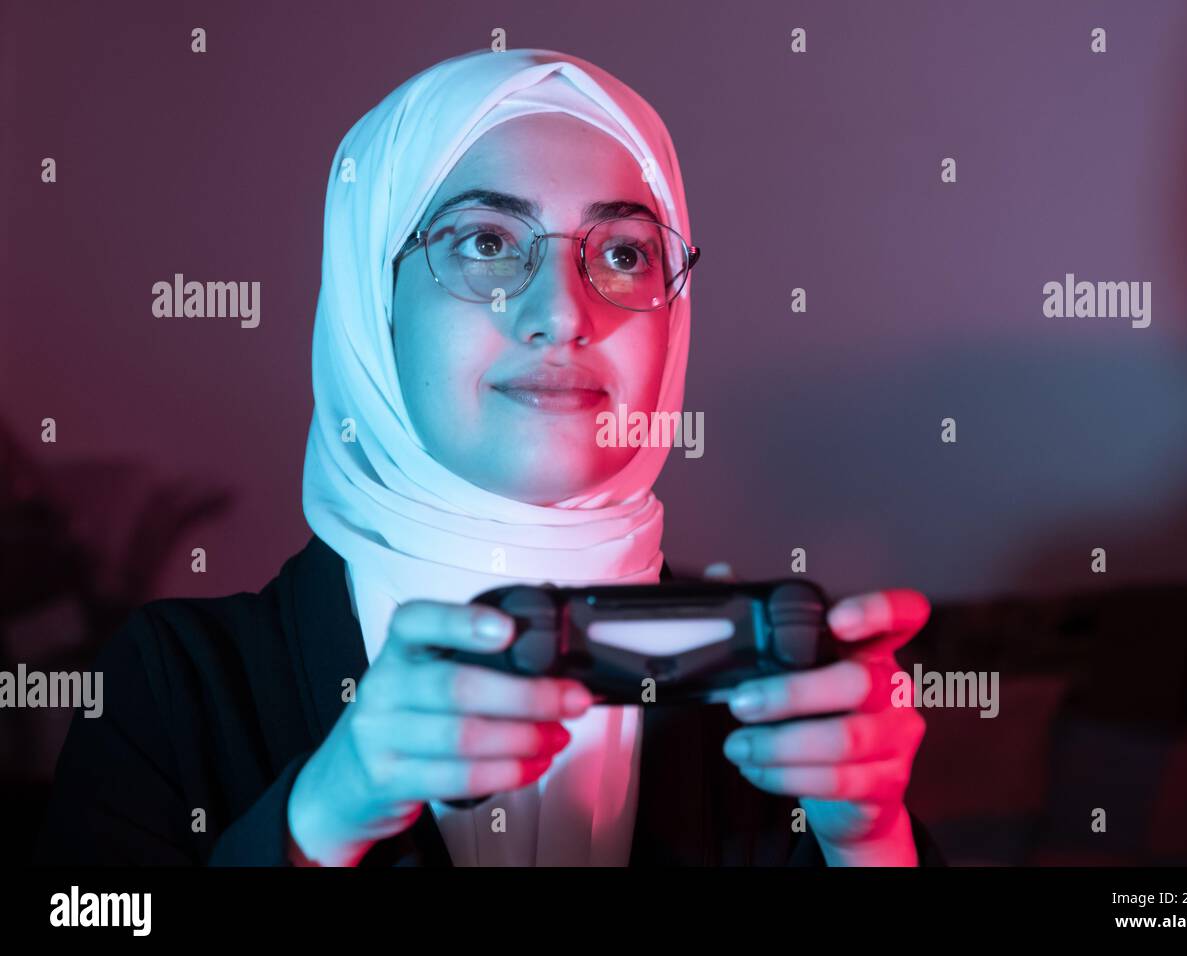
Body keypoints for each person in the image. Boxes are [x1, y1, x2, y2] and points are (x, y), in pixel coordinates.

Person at [37, 48, 941, 867]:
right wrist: (322, 815)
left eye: (623, 252)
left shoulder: (775, 704)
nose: (562, 313)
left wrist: (869, 846)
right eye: (485, 243)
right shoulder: (175, 684)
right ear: (372, 302)